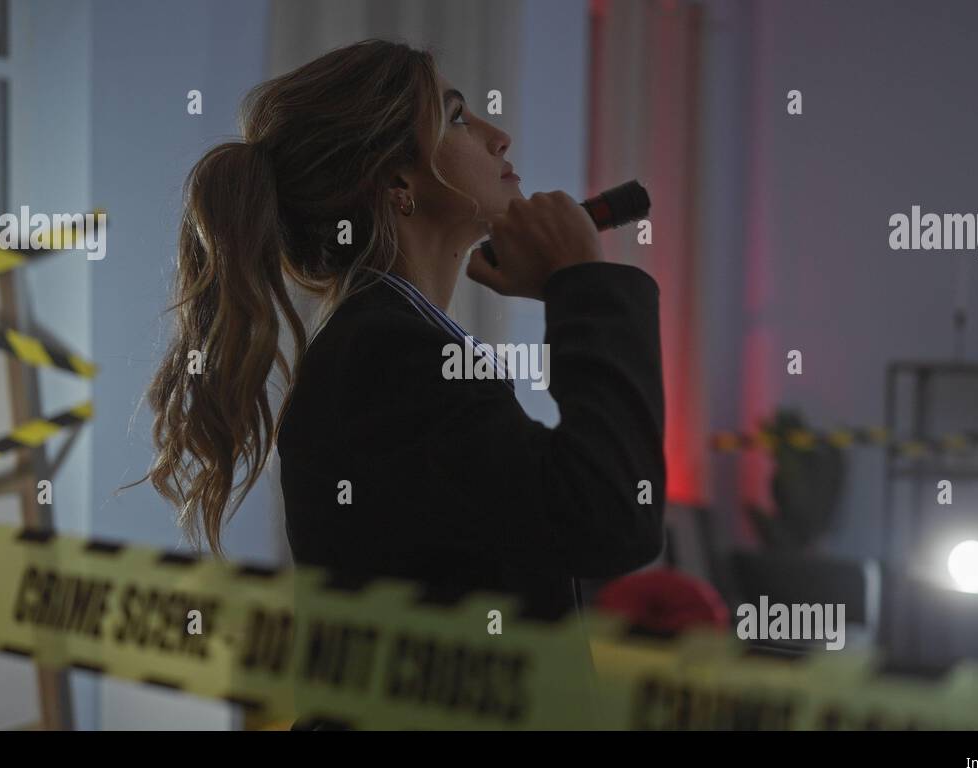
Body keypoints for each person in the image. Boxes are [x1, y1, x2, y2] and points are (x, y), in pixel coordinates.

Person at [138, 39, 666, 724]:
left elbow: (550, 520)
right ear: (397, 186)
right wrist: (583, 285)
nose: (499, 137)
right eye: (456, 118)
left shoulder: (395, 342)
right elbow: (611, 514)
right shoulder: (387, 357)